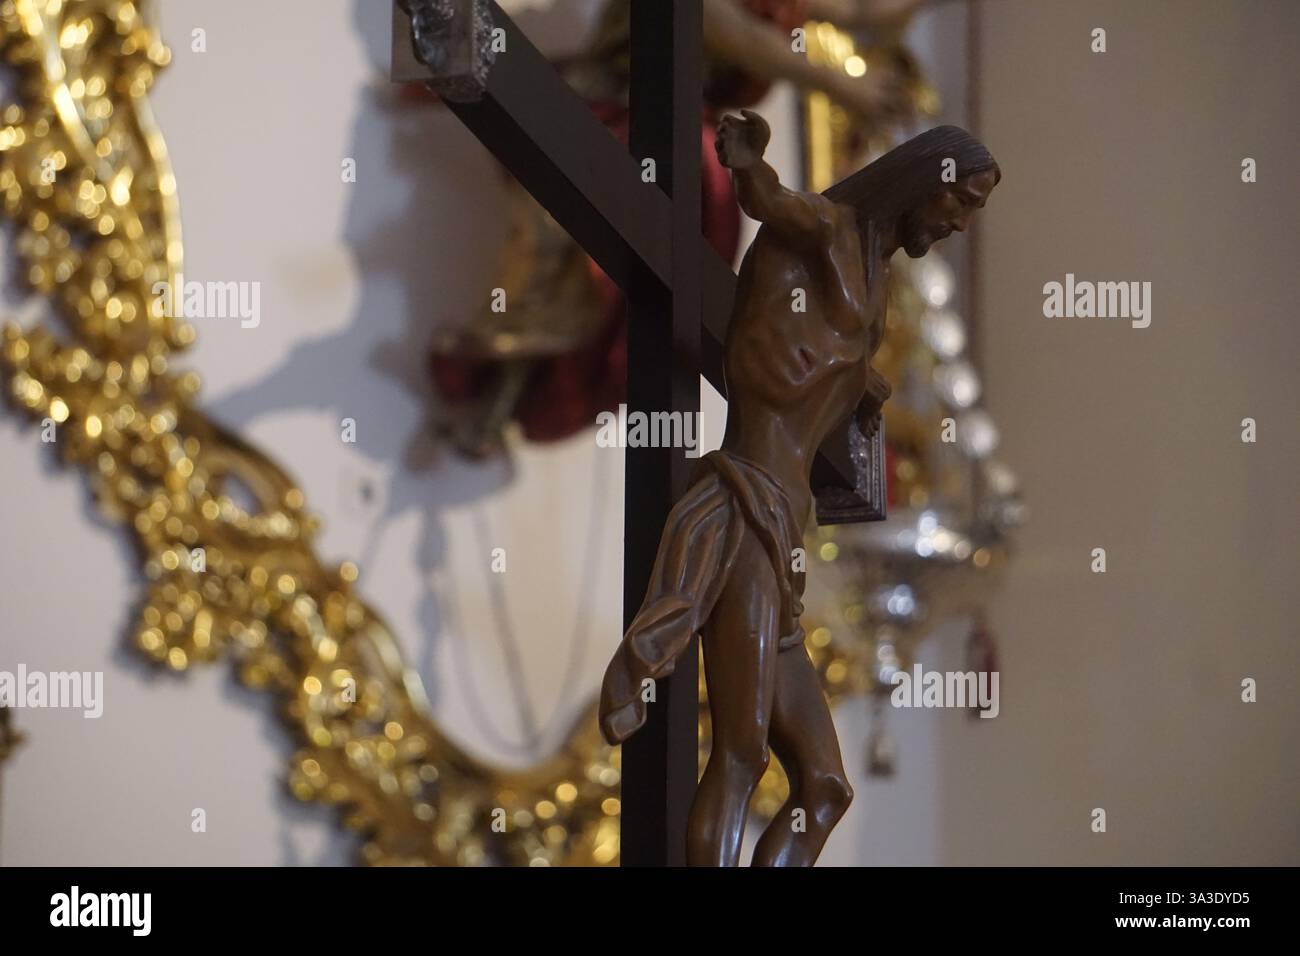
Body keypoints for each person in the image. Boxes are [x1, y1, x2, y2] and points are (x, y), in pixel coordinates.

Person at [600, 110, 1000, 866]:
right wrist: (748, 163)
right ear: (928, 178)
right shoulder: (827, 229)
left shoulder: (874, 273)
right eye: (962, 202)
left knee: (825, 787)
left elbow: (825, 360)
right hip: (746, 511)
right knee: (742, 755)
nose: (961, 223)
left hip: (787, 541)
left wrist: (866, 386)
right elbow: (774, 202)